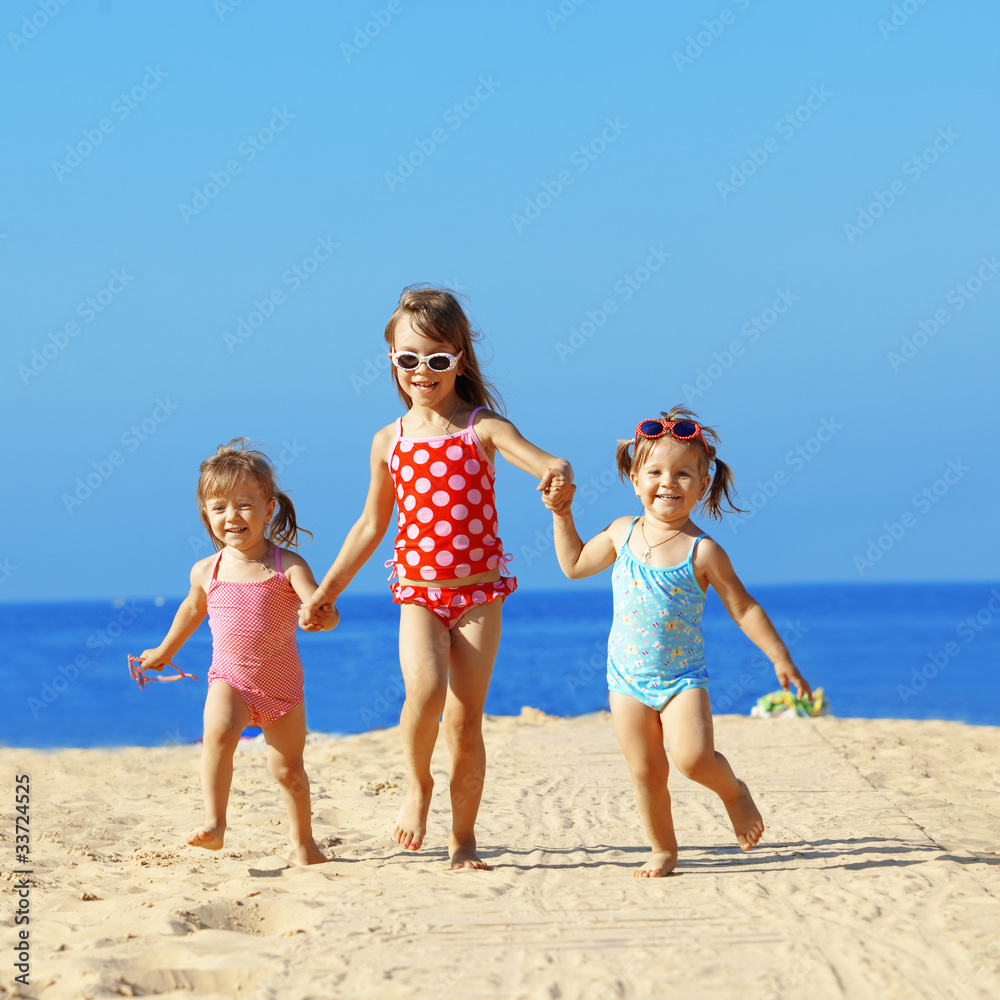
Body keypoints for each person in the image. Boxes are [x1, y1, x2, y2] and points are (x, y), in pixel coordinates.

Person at [299, 286, 572, 870]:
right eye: (409, 359)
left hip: (479, 595)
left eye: (438, 359)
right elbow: (371, 526)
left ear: (460, 361)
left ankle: (463, 839)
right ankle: (418, 785)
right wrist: (326, 590)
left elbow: (537, 459)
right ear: (392, 362)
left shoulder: (482, 428)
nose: (423, 371)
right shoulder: (388, 441)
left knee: (466, 720)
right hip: (418, 592)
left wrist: (556, 471)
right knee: (423, 695)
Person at [543, 406, 811, 877]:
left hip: (682, 678)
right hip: (625, 679)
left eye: (683, 474)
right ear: (633, 477)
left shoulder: (701, 550)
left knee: (691, 759)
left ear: (703, 483)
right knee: (646, 772)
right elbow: (574, 564)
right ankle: (663, 849)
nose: (668, 483)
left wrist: (779, 657)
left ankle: (734, 792)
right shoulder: (622, 532)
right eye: (656, 472)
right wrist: (562, 514)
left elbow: (744, 607)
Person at [136, 439, 337, 866]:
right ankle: (215, 824)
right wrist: (163, 650)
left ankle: (305, 844)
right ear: (206, 515)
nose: (233, 516)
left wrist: (321, 617)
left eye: (245, 505)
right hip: (231, 679)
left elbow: (318, 605)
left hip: (282, 688)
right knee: (218, 736)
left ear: (268, 508)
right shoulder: (206, 570)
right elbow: (192, 611)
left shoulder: (287, 565)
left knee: (288, 773)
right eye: (220, 507)